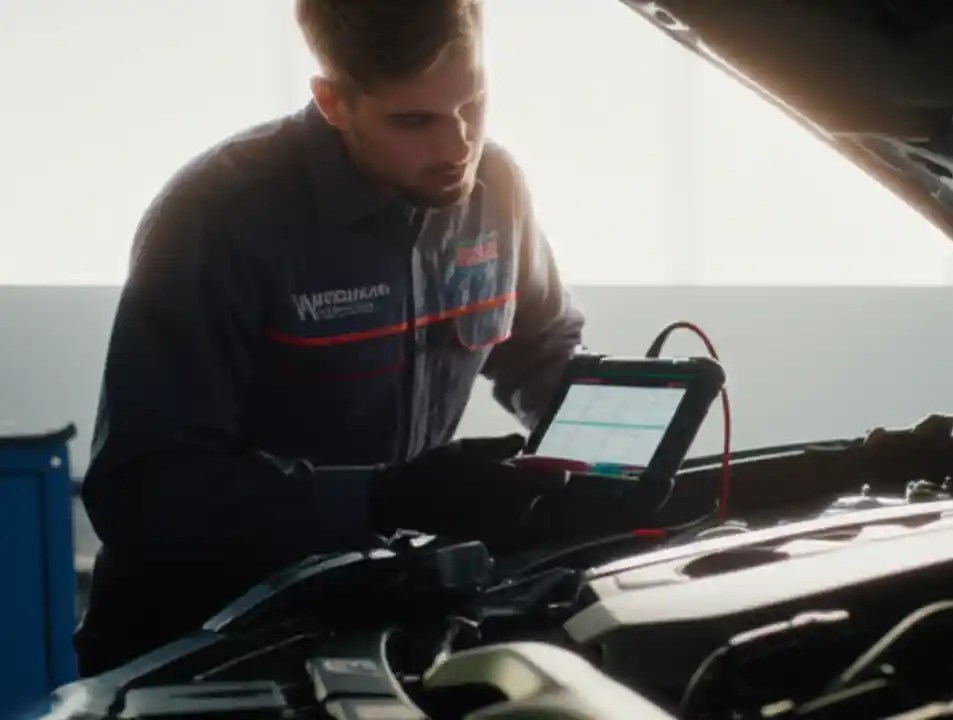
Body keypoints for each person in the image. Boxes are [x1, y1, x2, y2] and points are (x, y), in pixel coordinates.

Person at [75, 0, 590, 676]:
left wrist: (600, 461)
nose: (456, 145)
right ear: (332, 102)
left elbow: (543, 353)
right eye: (413, 121)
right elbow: (145, 494)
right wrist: (386, 497)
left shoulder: (496, 188)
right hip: (200, 645)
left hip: (378, 625)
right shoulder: (217, 218)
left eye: (474, 103)